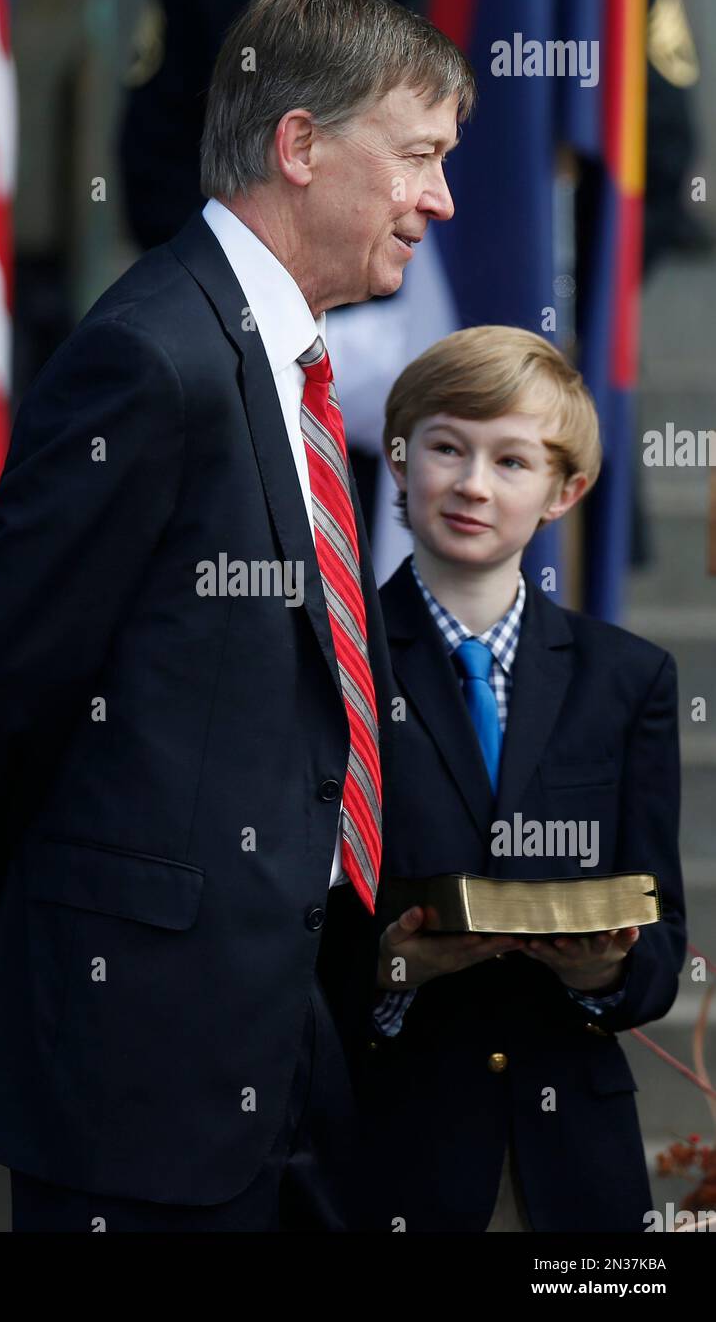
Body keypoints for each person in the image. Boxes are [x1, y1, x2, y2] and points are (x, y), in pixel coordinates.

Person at [0, 0, 475, 1232]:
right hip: (141, 1069)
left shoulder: (286, 359)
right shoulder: (153, 354)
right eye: (419, 156)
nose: (441, 200)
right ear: (300, 145)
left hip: (290, 1044)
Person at [358, 326, 686, 1232]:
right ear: (398, 459)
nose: (472, 483)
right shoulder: (337, 662)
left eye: (511, 461)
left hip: (575, 1160)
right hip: (389, 1147)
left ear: (563, 491)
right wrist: (388, 968)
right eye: (446, 448)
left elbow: (661, 939)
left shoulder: (627, 679)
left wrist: (607, 968)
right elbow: (281, 924)